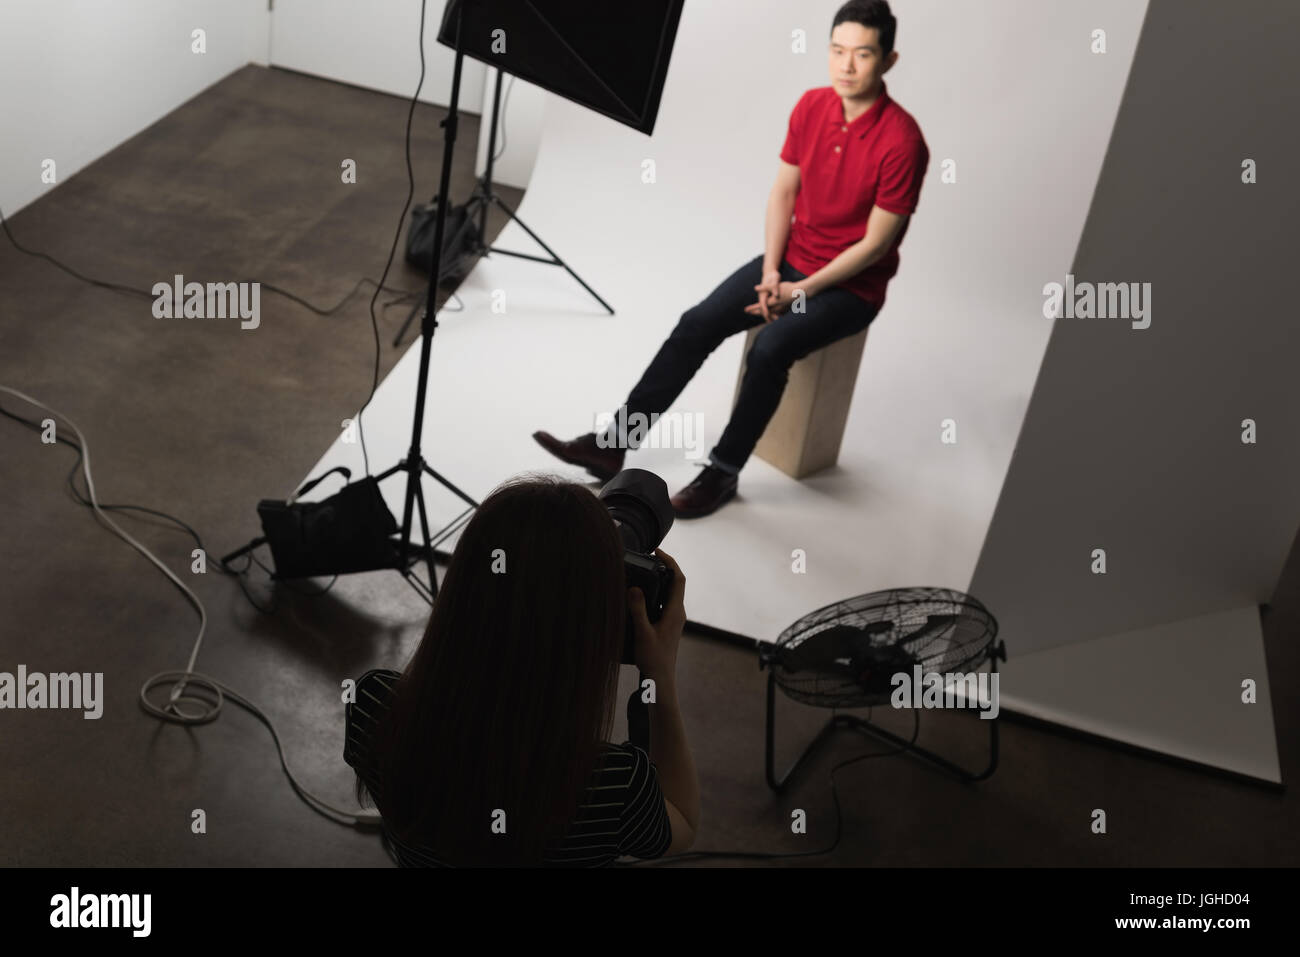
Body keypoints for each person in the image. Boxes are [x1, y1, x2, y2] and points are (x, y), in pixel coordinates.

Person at [534, 0, 929, 518]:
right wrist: (772, 271)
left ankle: (722, 474)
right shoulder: (811, 106)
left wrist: (799, 292)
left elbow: (875, 245)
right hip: (788, 263)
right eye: (837, 51)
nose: (846, 66)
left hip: (849, 288)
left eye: (862, 54)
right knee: (696, 324)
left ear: (889, 60)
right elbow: (783, 193)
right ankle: (613, 444)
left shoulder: (903, 141)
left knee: (769, 350)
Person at [343, 473, 700, 867]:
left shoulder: (370, 707)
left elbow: (440, 679)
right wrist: (660, 676)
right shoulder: (615, 789)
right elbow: (681, 824)